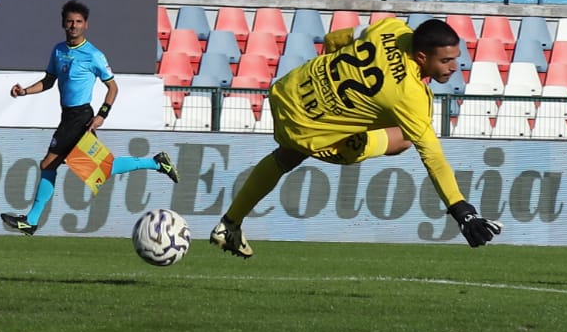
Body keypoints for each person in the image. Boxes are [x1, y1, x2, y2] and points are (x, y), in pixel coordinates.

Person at [210, 15, 501, 257]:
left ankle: (229, 224)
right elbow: (433, 158)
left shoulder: (390, 29)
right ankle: (231, 222)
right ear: (422, 56)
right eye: (446, 60)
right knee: (406, 138)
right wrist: (461, 210)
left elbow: (335, 39)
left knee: (285, 157)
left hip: (287, 91)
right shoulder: (410, 97)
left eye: (456, 58)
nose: (454, 66)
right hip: (307, 129)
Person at [2, 0, 180, 235]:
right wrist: (24, 91)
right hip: (68, 117)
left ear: (86, 25)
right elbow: (48, 81)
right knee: (100, 169)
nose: (73, 26)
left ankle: (32, 220)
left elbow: (113, 87)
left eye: (78, 22)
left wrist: (101, 115)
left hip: (80, 117)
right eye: (69, 22)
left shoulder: (93, 54)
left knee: (49, 164)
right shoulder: (58, 50)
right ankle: (157, 163)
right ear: (63, 24)